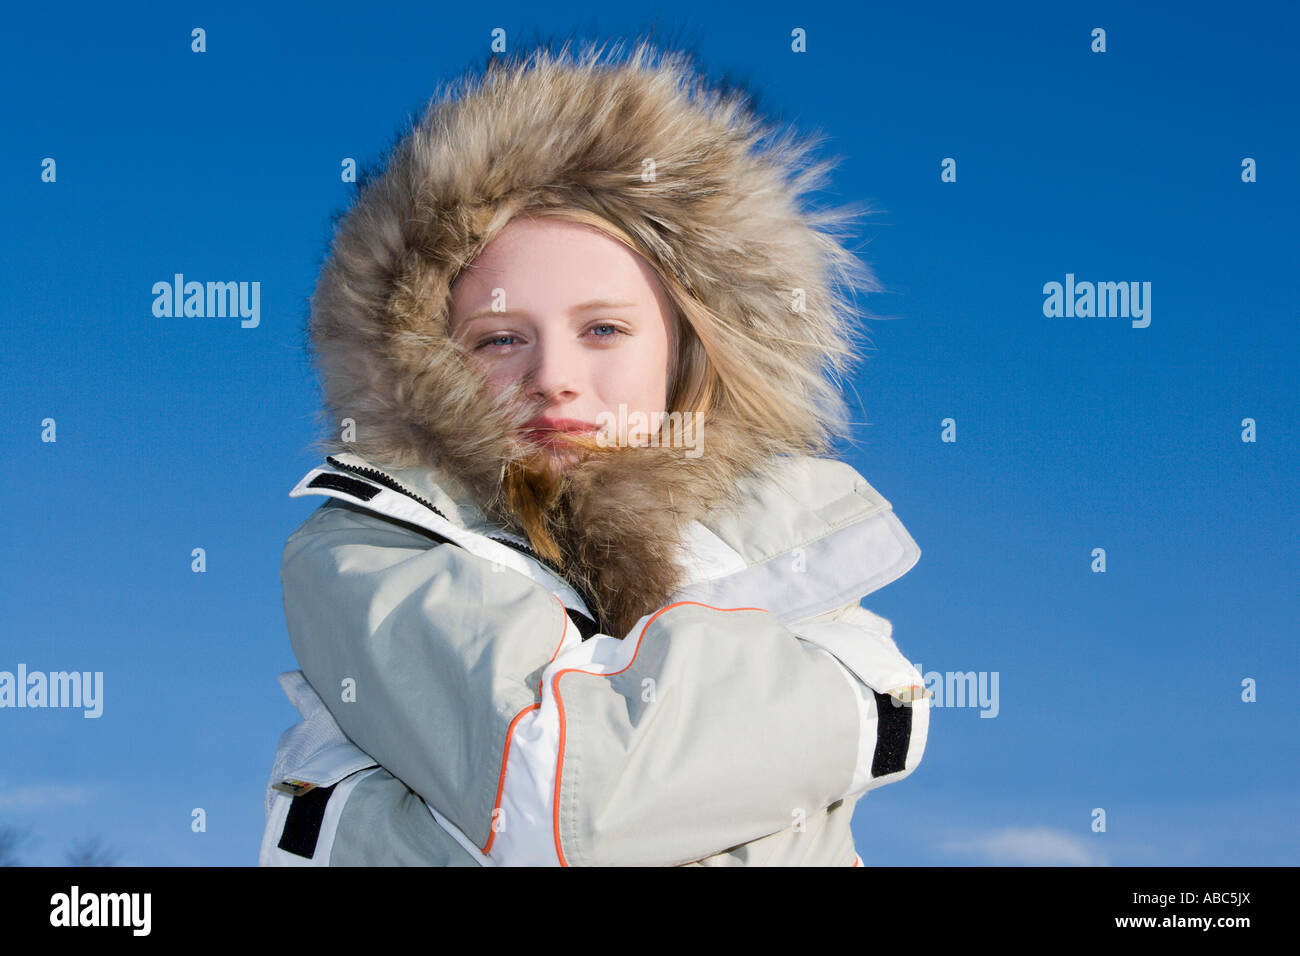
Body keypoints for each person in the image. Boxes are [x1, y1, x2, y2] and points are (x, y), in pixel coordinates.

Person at [259, 38, 930, 867]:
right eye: (500, 338)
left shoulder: (784, 532)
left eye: (604, 329)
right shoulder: (372, 545)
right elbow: (570, 798)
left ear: (686, 348)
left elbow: (887, 704)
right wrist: (833, 702)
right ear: (424, 361)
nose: (555, 379)